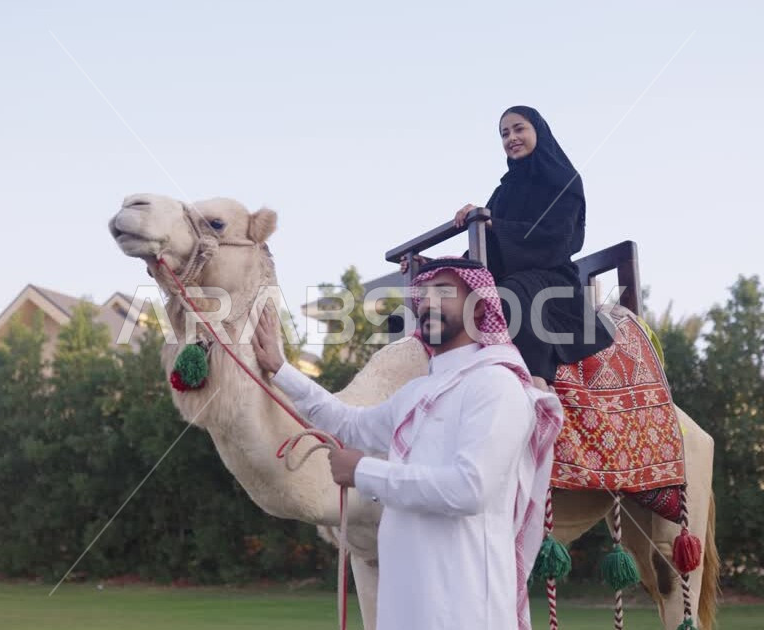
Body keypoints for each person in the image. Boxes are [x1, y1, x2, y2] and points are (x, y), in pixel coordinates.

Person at [252, 257, 563, 630]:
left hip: (464, 607)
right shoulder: (416, 393)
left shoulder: (496, 385)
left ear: (479, 305)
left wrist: (362, 472)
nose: (428, 302)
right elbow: (348, 422)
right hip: (405, 605)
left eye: (445, 292)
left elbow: (469, 489)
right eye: (424, 294)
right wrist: (282, 369)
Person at [403, 106, 615, 390]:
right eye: (504, 134)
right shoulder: (504, 191)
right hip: (509, 275)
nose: (511, 138)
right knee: (456, 300)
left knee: (508, 295)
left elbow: (558, 238)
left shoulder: (563, 180)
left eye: (519, 129)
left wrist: (495, 225)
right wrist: (428, 265)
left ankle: (537, 383)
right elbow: (482, 254)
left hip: (550, 275)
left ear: (538, 131)